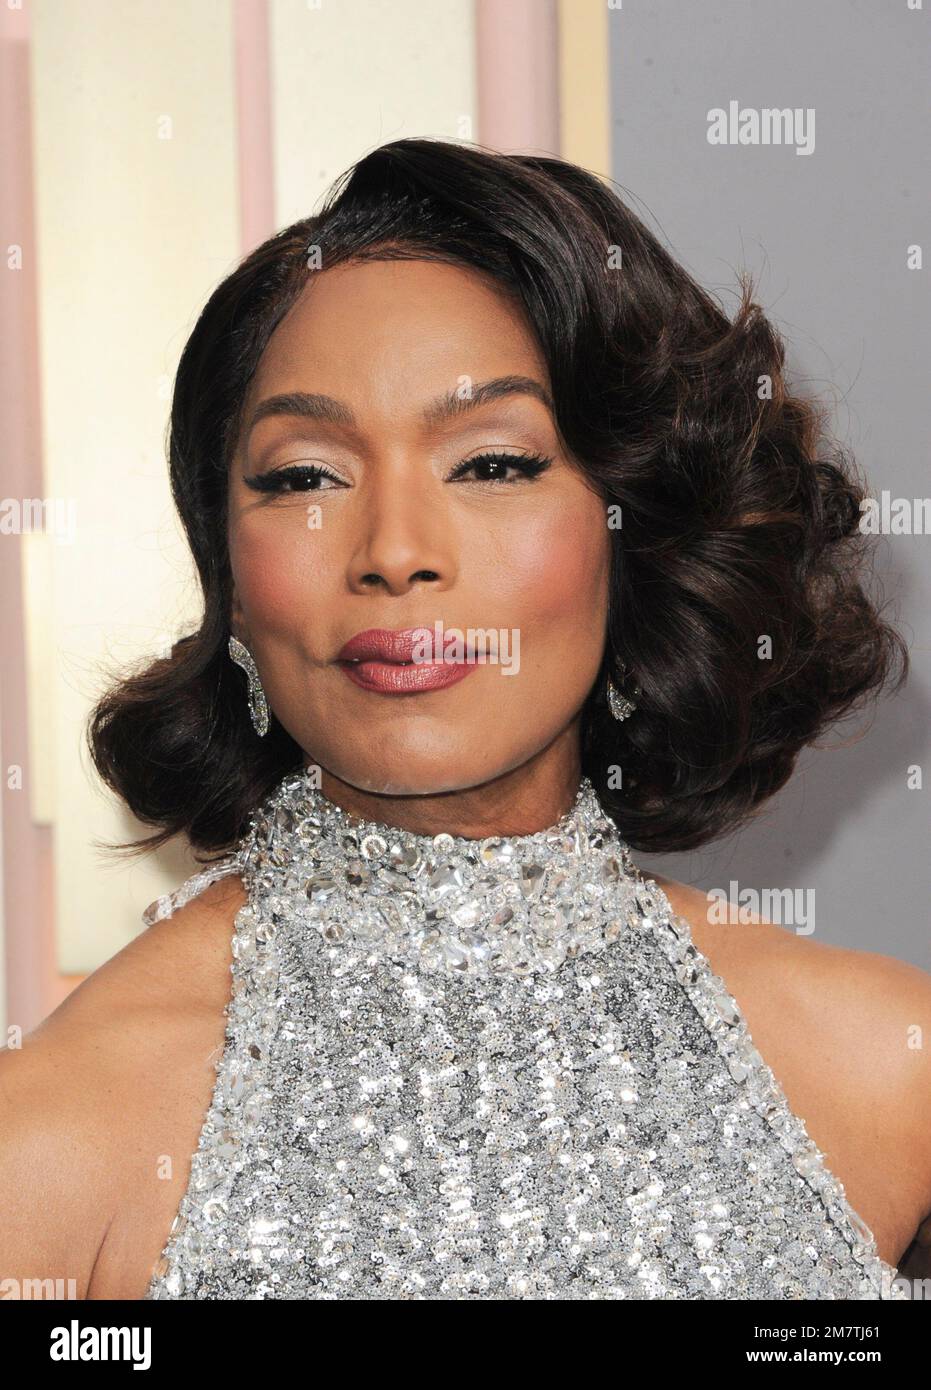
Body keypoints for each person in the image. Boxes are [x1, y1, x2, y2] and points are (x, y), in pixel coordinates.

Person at [1, 138, 928, 1300]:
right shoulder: (43, 1145)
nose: (395, 553)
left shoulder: (895, 1077)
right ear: (229, 578)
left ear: (628, 526)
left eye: (490, 463)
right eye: (304, 478)